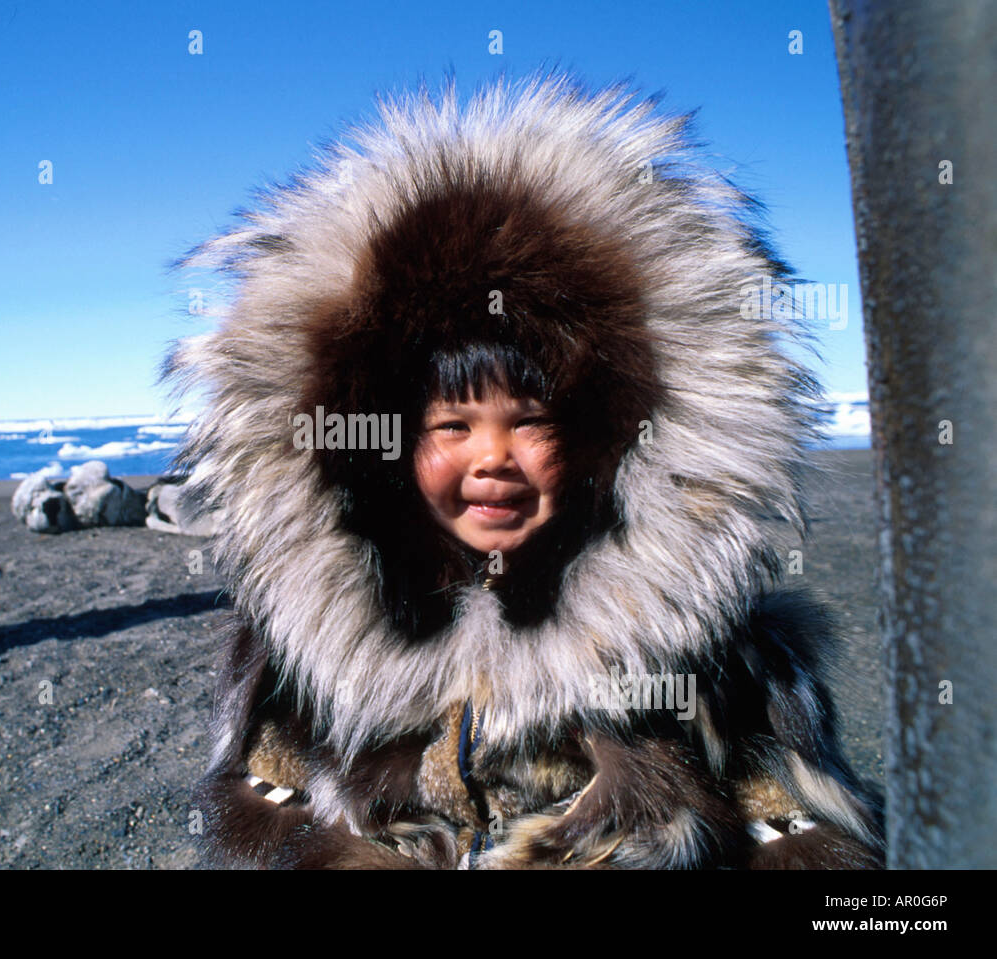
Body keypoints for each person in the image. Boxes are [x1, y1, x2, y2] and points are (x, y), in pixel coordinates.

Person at [165, 71, 884, 868]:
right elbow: (264, 831)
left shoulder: (722, 656)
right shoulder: (302, 661)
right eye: (452, 425)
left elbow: (809, 852)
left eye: (531, 422)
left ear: (595, 439)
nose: (492, 458)